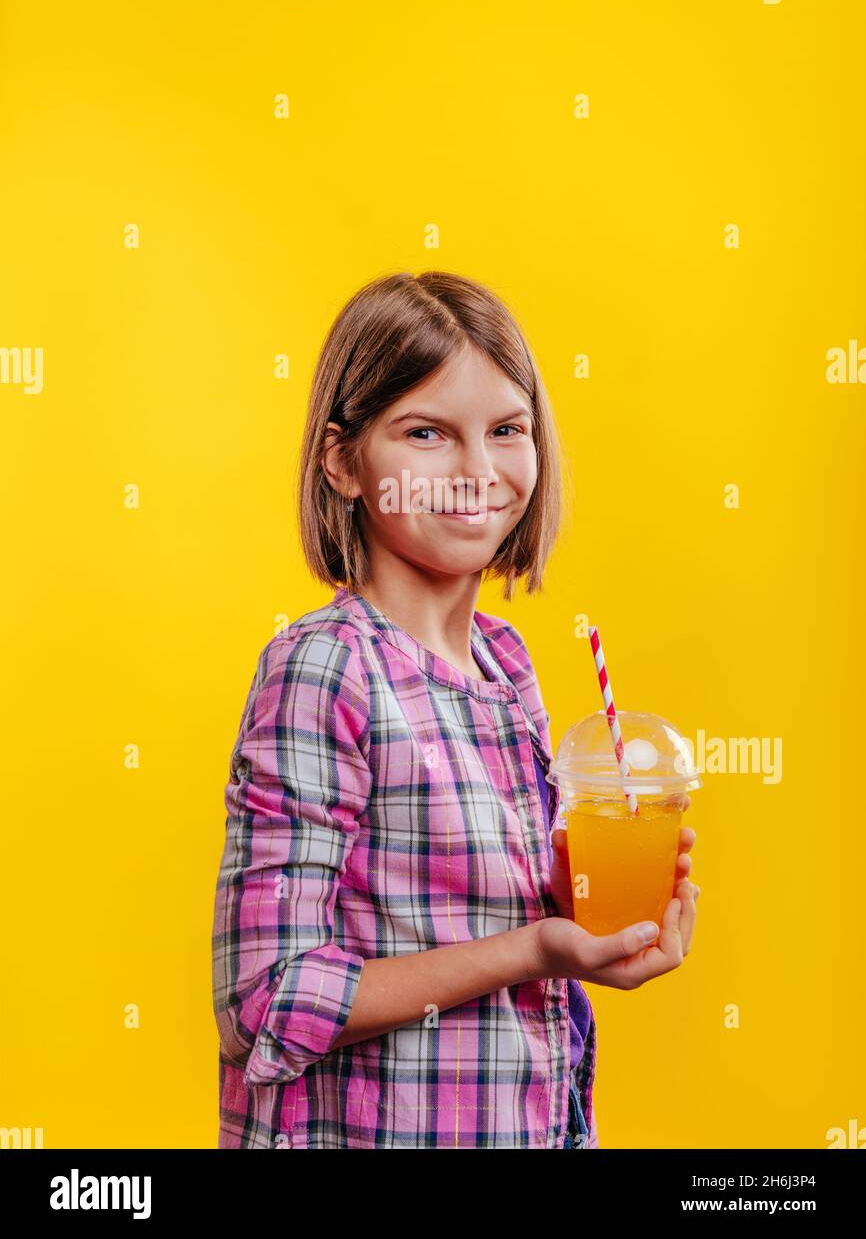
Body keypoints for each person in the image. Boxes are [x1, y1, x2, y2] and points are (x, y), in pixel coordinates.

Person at [211, 269, 699, 1149]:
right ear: (342, 462)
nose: (477, 472)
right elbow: (266, 1002)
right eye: (427, 433)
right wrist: (535, 949)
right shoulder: (327, 668)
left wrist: (585, 901)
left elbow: (464, 912)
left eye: (507, 430)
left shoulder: (505, 665)